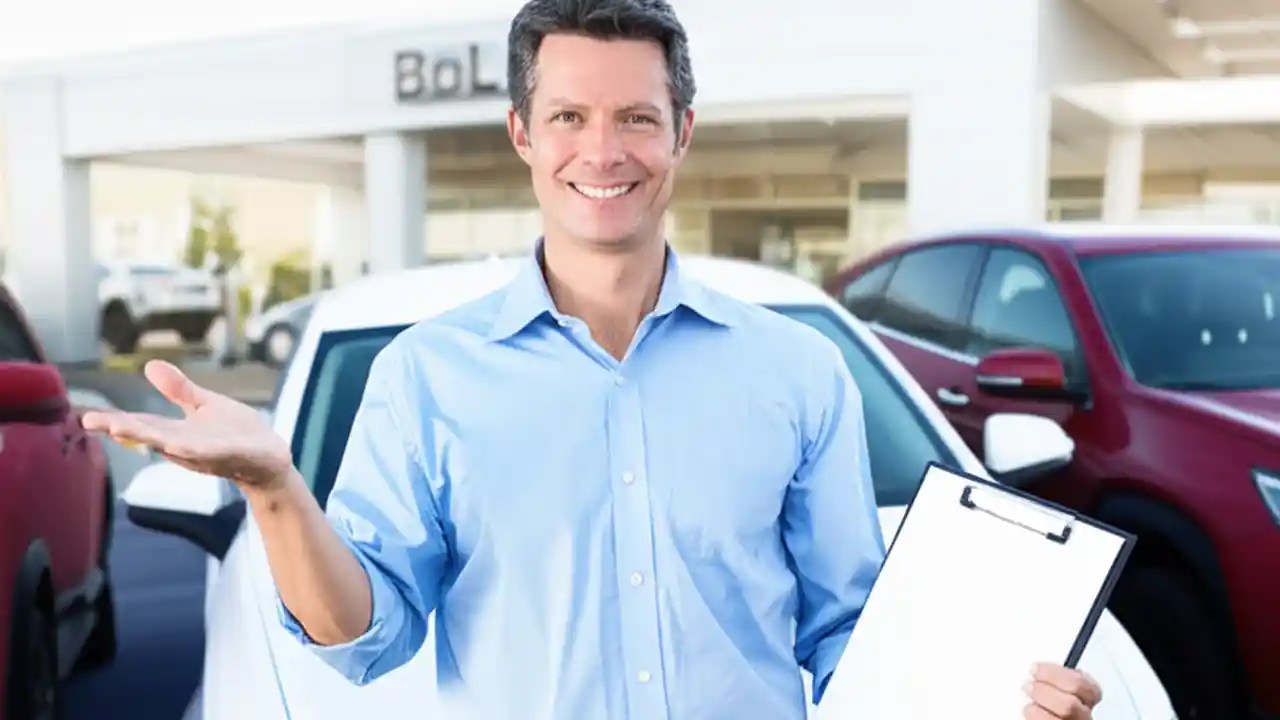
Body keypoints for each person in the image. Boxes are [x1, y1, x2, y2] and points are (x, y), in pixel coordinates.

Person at [82, 0, 1105, 718]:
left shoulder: (796, 374)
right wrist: (273, 488)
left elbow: (849, 643)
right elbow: (365, 639)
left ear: (681, 133)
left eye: (634, 118)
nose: (601, 151)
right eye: (569, 116)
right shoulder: (424, 378)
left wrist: (991, 698)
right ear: (523, 132)